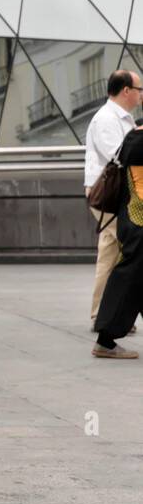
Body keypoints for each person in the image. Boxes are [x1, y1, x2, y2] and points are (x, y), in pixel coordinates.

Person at [84, 70, 141, 332]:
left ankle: (102, 314)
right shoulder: (106, 119)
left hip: (118, 196)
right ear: (126, 90)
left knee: (111, 253)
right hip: (107, 197)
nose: (142, 95)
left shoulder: (121, 118)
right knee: (129, 253)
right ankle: (106, 316)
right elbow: (119, 157)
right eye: (139, 89)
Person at [91, 123, 143, 357]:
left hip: (132, 219)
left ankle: (106, 339)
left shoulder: (133, 137)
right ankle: (105, 339)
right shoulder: (139, 142)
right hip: (139, 219)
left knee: (136, 277)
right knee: (129, 276)